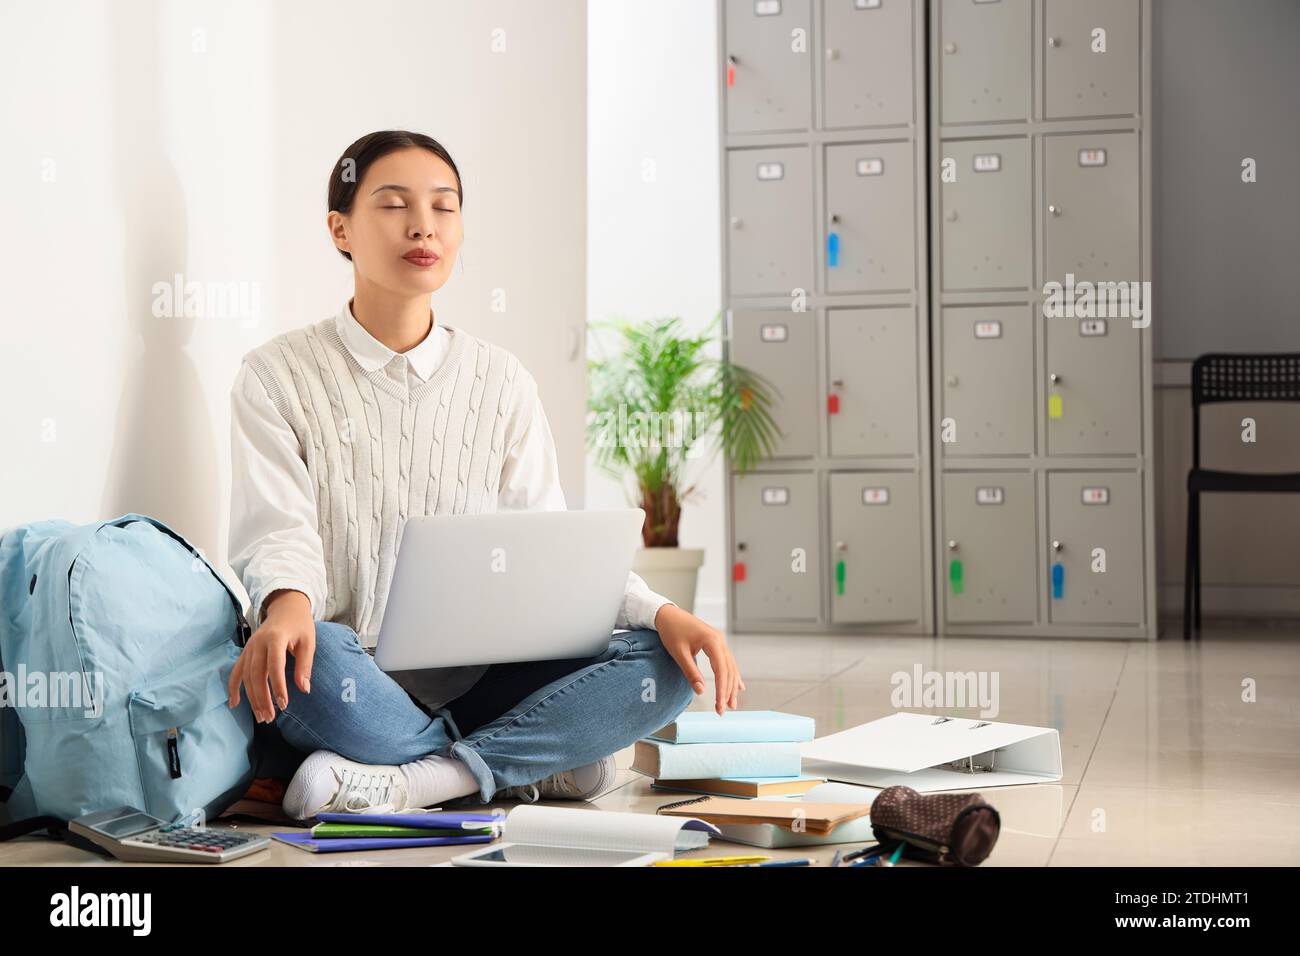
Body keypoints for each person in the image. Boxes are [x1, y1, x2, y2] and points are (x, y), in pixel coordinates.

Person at [225, 130, 745, 820]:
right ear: (340, 229)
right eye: (393, 204)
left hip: (482, 680)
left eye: (444, 207)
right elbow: (277, 531)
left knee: (664, 664)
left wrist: (663, 611)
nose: (423, 226)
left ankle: (422, 781)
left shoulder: (501, 382)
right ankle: (529, 761)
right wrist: (287, 603)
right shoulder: (276, 375)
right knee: (310, 660)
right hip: (352, 678)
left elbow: (552, 555)